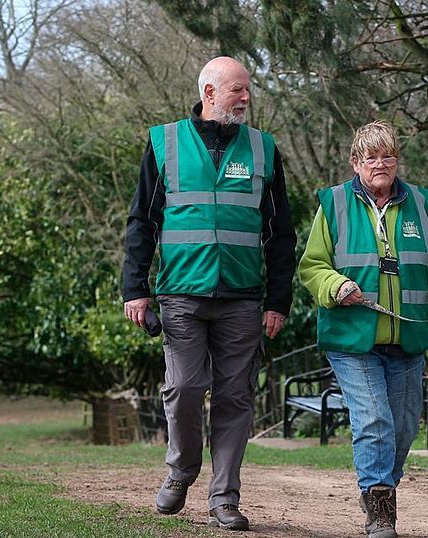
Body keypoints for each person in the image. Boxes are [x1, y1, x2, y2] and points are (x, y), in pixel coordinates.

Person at [122, 56, 296, 532]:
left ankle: (224, 499)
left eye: (247, 90)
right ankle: (180, 471)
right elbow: (142, 222)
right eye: (237, 89)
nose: (245, 97)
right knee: (182, 389)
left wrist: (278, 300)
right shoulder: (165, 143)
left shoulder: (263, 149)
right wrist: (134, 289)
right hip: (181, 292)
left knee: (236, 397)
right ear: (209, 92)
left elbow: (282, 233)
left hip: (242, 297)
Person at [298, 120, 428, 538]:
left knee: (403, 427)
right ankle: (381, 511)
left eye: (388, 156)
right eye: (371, 157)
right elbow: (311, 267)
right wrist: (337, 285)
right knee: (374, 421)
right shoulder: (333, 204)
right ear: (355, 163)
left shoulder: (421, 205)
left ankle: (381, 489)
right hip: (352, 340)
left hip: (407, 342)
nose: (381, 164)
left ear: (397, 160)